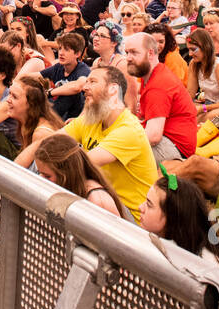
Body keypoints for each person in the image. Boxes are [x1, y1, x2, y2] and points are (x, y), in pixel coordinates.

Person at [54, 66, 157, 222]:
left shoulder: (128, 129)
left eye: (93, 82)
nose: (85, 87)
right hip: (107, 203)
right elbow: (51, 143)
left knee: (89, 186)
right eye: (86, 81)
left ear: (113, 90)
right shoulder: (92, 119)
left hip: (133, 219)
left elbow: (83, 165)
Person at [139, 172, 219, 275]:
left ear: (172, 217)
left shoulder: (204, 270)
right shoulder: (173, 246)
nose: (140, 207)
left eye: (149, 204)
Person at [125, 32, 197, 161]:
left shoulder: (158, 85)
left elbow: (153, 136)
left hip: (175, 148)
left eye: (134, 52)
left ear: (150, 53)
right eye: (127, 53)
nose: (128, 58)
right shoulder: (151, 75)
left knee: (119, 156)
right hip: (170, 140)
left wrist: (116, 143)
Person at [33, 133, 124, 218]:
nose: (41, 178)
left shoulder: (97, 200)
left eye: (47, 176)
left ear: (67, 174)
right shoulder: (67, 189)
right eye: (39, 173)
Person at [40, 33, 92, 122]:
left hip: (78, 116)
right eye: (60, 49)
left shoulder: (83, 69)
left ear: (77, 54)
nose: (61, 53)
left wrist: (49, 93)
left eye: (67, 50)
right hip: (60, 111)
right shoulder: (58, 67)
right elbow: (35, 76)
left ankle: (46, 121)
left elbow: (77, 87)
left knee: (70, 92)